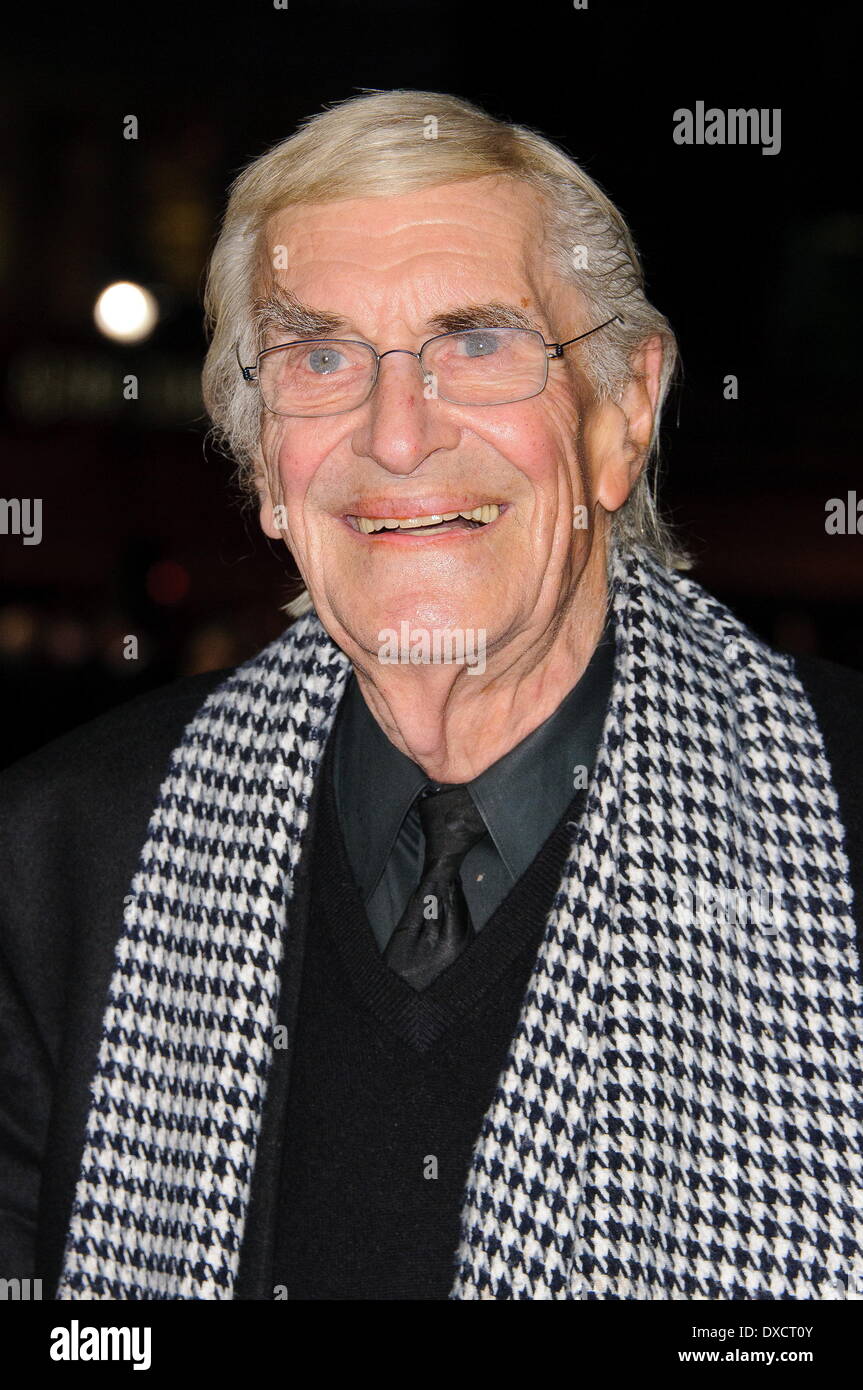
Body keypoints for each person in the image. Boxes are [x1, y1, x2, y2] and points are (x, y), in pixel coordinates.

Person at [2, 89, 862, 1302]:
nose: (396, 435)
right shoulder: (59, 862)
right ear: (262, 466)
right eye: (320, 357)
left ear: (623, 413)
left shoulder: (836, 822)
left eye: (476, 342)